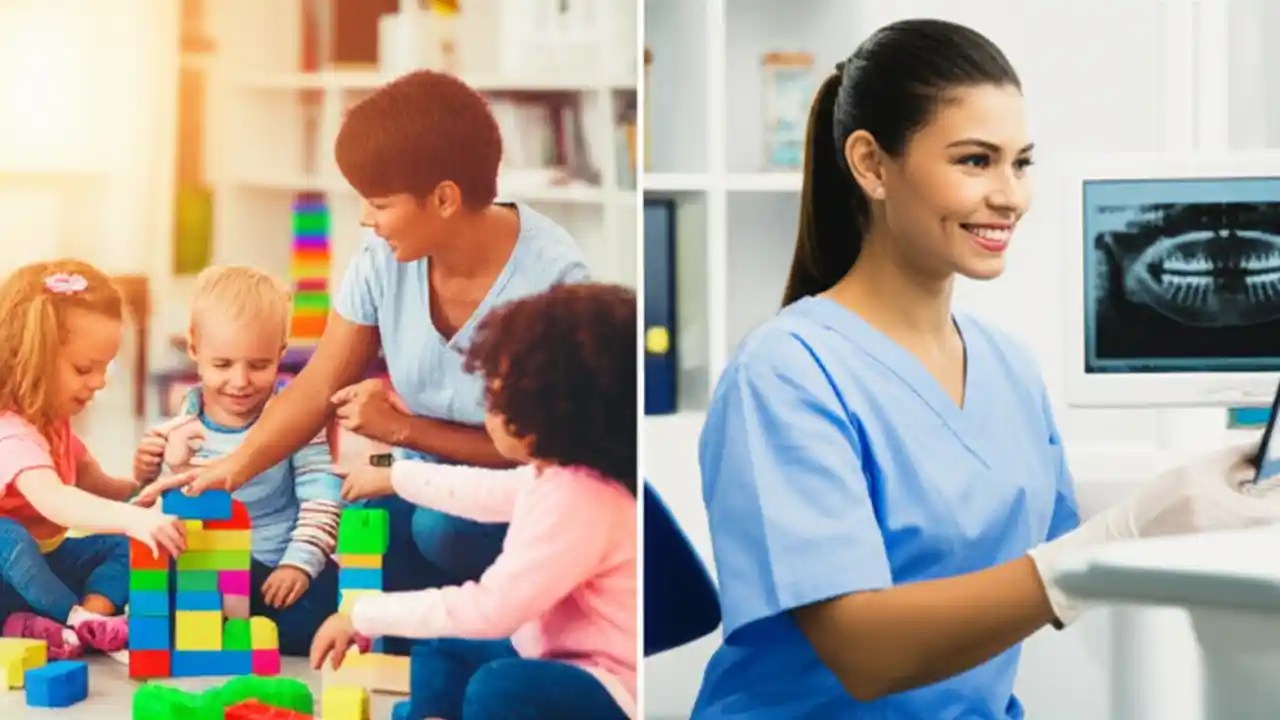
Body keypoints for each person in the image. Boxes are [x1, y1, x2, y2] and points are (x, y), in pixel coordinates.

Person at [691, 18, 1280, 719]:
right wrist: (1115, 536)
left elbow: (1031, 540)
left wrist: (1183, 505)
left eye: (1020, 162)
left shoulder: (1006, 366)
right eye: (975, 161)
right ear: (872, 165)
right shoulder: (787, 373)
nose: (1012, 196)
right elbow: (865, 653)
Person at [157, 69, 590, 623]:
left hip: (517, 490)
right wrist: (233, 468)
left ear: (444, 199)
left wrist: (403, 430)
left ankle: (494, 627)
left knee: (439, 529)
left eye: (379, 203)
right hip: (409, 472)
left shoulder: (555, 283)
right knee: (361, 523)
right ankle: (425, 635)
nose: (366, 218)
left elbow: (546, 452)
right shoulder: (384, 260)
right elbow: (318, 384)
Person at [311, 283, 637, 720]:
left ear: (544, 411)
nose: (486, 413)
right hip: (546, 654)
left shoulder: (581, 498)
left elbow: (492, 609)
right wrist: (395, 475)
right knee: (445, 647)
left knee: (498, 687)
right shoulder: (557, 477)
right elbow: (481, 491)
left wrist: (363, 614)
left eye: (496, 399)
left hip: (603, 685)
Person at [133, 266, 342, 655]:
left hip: (273, 570)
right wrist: (149, 469)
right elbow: (160, 506)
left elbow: (322, 497)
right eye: (223, 364)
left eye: (260, 365)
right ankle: (219, 628)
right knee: (156, 578)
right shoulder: (182, 419)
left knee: (325, 609)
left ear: (281, 353)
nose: (241, 381)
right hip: (206, 570)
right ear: (194, 350)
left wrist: (298, 564)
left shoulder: (293, 419)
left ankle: (240, 629)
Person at [0, 260, 187, 660]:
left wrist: (154, 494)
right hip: (8, 574)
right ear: (29, 359)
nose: (100, 382)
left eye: (107, 367)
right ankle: (68, 617)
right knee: (7, 536)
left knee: (125, 544)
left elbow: (102, 488)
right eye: (84, 368)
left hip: (43, 574)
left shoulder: (56, 426)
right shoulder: (11, 432)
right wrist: (136, 517)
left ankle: (90, 618)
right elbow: (56, 500)